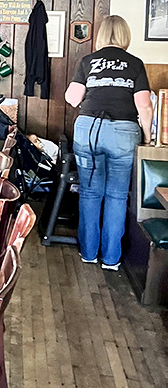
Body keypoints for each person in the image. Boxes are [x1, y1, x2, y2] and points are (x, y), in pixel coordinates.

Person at [65, 15, 153, 270]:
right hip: (124, 132)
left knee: (90, 194)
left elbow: (72, 98)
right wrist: (146, 137)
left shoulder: (88, 61)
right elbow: (145, 106)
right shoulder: (135, 63)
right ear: (125, 36)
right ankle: (112, 259)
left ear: (102, 35)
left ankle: (89, 253)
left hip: (89, 129)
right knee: (116, 196)